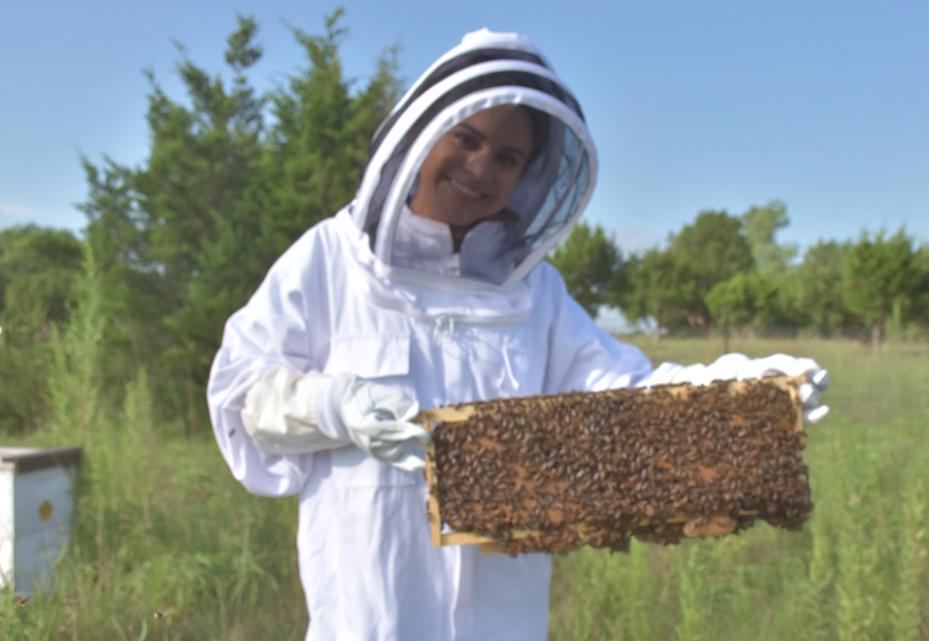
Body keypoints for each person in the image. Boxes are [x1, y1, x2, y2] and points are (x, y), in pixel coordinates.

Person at [207, 28, 829, 641]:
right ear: (423, 136)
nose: (481, 167)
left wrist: (737, 392)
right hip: (368, 622)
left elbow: (625, 397)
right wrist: (332, 404)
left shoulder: (535, 295)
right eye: (467, 139)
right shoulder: (329, 261)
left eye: (507, 158)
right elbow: (242, 396)